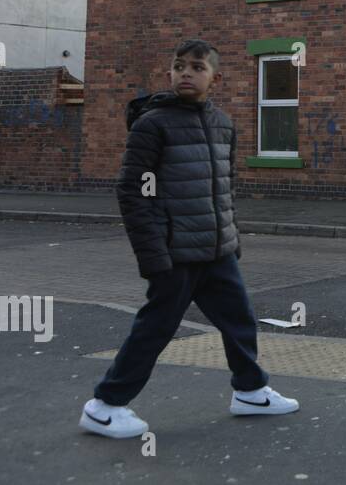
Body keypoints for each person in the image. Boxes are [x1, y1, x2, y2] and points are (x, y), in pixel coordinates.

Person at [81, 39, 298, 438]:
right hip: (174, 252)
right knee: (156, 329)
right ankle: (105, 406)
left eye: (197, 67)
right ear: (170, 72)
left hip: (217, 251)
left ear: (214, 77)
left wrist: (230, 237)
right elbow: (133, 192)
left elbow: (224, 186)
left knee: (240, 321)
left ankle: (250, 391)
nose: (186, 73)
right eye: (179, 66)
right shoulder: (153, 125)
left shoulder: (223, 125)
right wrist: (152, 256)